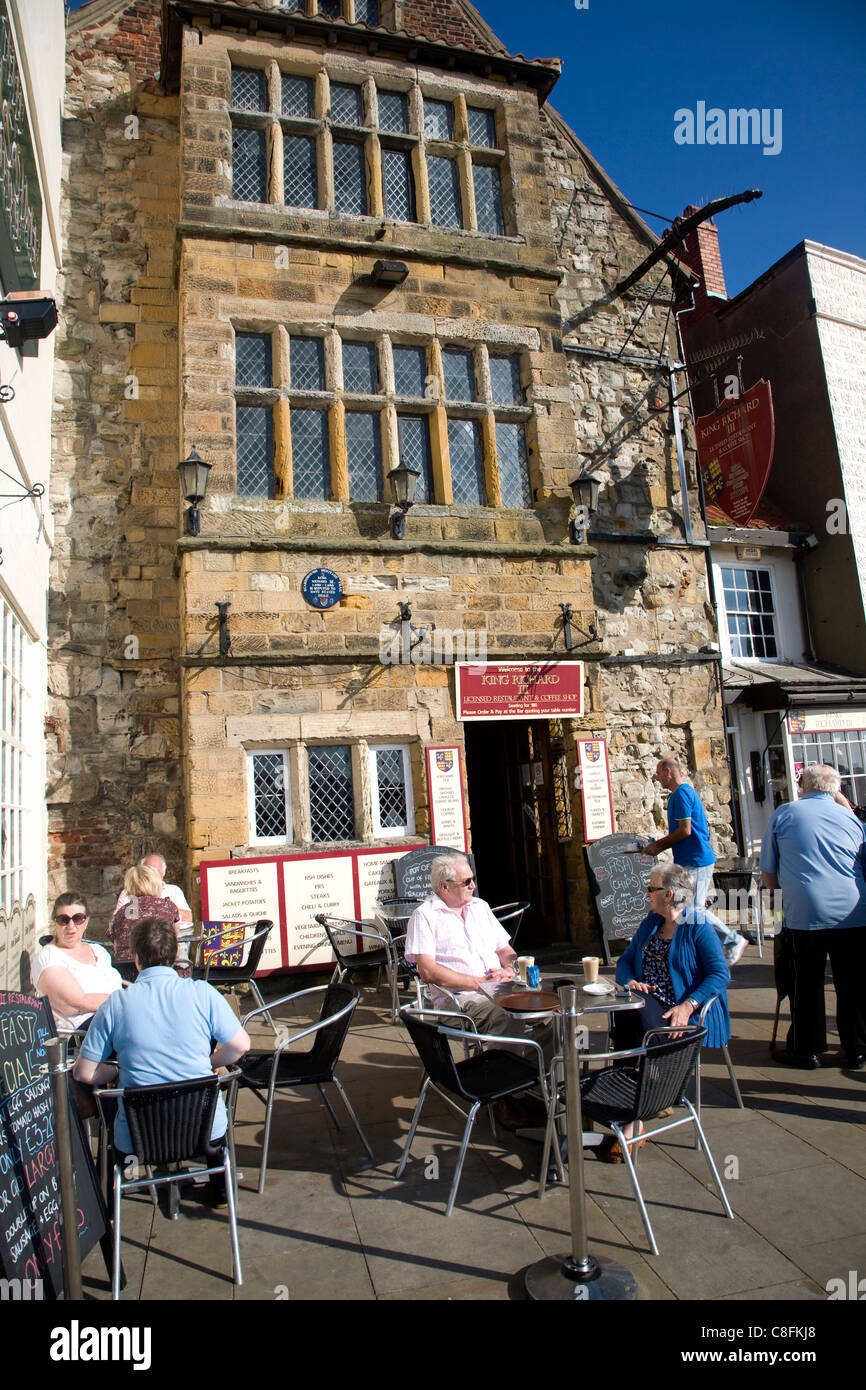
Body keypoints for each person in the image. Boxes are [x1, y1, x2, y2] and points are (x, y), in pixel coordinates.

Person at [74, 917, 250, 1199]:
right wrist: (210, 1062)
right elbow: (241, 1045)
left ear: (135, 958)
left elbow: (83, 1073)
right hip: (204, 1131)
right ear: (174, 954)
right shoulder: (201, 993)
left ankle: (124, 1189)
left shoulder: (117, 1004)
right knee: (213, 1109)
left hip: (139, 1138)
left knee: (113, 1118)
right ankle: (219, 1190)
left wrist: (115, 1074)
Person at [405, 853, 548, 1128]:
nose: (473, 885)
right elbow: (428, 972)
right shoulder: (424, 916)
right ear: (444, 887)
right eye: (466, 881)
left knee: (549, 1017)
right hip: (459, 999)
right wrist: (478, 982)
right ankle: (504, 1097)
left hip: (501, 986)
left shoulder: (480, 907)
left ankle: (532, 1086)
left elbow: (505, 950)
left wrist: (510, 967)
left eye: (473, 880)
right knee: (505, 1017)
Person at [609, 863, 731, 1162]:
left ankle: (631, 1112)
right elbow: (624, 961)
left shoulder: (697, 926)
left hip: (681, 1008)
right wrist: (629, 981)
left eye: (651, 889)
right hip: (646, 1002)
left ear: (669, 894)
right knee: (629, 1007)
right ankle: (647, 1100)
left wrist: (688, 1006)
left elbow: (719, 974)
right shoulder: (651, 923)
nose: (646, 894)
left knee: (632, 1020)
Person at [761, 763, 866, 1071]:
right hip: (854, 909)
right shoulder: (852, 819)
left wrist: (778, 901)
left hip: (806, 910)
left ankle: (807, 1049)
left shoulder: (785, 814)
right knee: (853, 983)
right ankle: (857, 1047)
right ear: (836, 790)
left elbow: (769, 871)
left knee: (806, 982)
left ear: (803, 785)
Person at [640, 756, 748, 968]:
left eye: (659, 773)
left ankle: (733, 939)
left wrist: (658, 846)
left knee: (694, 909)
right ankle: (692, 952)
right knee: (684, 909)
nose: (657, 778)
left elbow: (685, 830)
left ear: (668, 772)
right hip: (691, 859)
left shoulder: (681, 795)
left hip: (696, 860)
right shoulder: (682, 793)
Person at [32, 893, 124, 1033]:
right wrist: (127, 1001)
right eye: (64, 920)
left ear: (86, 921)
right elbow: (75, 1003)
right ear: (55, 922)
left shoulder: (98, 951)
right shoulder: (49, 957)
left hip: (117, 1017)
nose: (71, 925)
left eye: (78, 918)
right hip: (82, 1034)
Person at [109, 863, 181, 964]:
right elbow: (174, 937)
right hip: (160, 965)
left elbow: (116, 945)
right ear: (156, 884)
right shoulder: (168, 907)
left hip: (126, 969)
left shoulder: (121, 912)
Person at [114, 853, 193, 923]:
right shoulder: (127, 892)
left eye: (156, 871)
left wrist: (163, 910)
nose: (152, 876)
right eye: (148, 871)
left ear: (163, 873)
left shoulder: (174, 890)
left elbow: (189, 917)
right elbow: (116, 921)